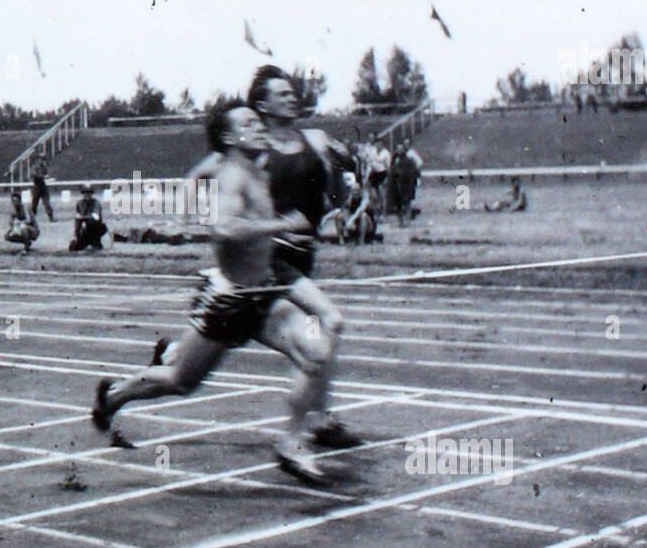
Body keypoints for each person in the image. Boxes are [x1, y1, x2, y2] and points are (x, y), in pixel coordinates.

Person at [91, 106, 340, 483]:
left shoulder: (257, 170)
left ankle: (291, 445)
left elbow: (249, 226)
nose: (259, 128)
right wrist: (280, 224)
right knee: (180, 381)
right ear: (228, 138)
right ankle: (114, 395)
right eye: (248, 125)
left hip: (264, 293)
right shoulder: (231, 176)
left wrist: (282, 235)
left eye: (259, 122)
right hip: (229, 301)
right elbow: (224, 229)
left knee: (316, 352)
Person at [155, 65, 362, 451]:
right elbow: (197, 178)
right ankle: (316, 423)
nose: (292, 98)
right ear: (263, 105)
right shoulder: (253, 153)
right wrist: (188, 220)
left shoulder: (315, 140)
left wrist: (340, 181)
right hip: (270, 259)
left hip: (302, 256)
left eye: (293, 93)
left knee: (239, 334)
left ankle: (174, 353)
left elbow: (335, 196)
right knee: (324, 325)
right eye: (282, 94)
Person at [388, 142, 420, 226]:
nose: (399, 151)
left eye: (401, 149)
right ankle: (400, 221)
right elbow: (391, 170)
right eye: (398, 149)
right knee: (398, 204)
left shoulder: (408, 161)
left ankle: (407, 220)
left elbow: (414, 173)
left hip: (406, 184)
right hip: (396, 184)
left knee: (407, 202)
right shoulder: (394, 159)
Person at [70, 183, 107, 251]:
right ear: (83, 193)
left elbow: (96, 217)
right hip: (86, 230)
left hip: (96, 228)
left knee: (96, 247)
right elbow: (77, 219)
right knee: (75, 248)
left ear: (91, 194)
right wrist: (76, 235)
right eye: (85, 193)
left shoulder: (96, 203)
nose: (87, 194)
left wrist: (82, 217)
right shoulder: (79, 203)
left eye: (89, 193)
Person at [30, 155, 55, 222]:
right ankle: (32, 218)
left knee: (47, 203)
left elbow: (45, 175)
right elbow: (33, 176)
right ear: (38, 160)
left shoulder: (44, 167)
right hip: (37, 187)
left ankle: (51, 217)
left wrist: (46, 178)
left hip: (43, 187)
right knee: (34, 204)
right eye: (41, 159)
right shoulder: (35, 167)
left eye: (44, 159)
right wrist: (43, 177)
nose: (43, 161)